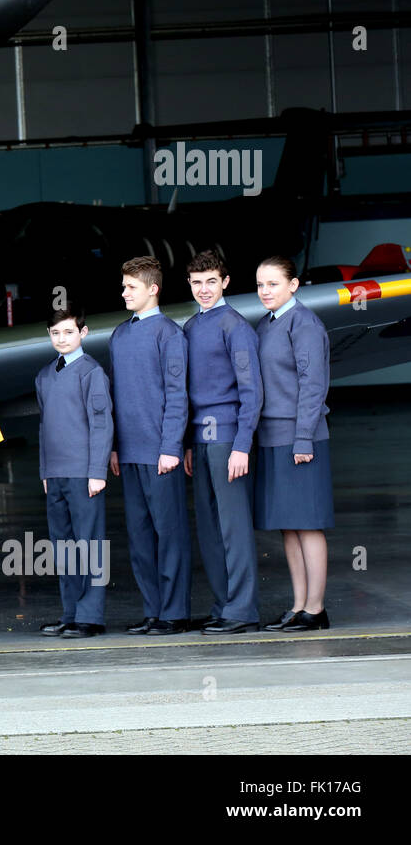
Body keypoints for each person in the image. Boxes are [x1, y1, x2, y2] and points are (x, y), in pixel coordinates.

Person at [108, 255, 191, 635]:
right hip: (128, 454)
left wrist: (171, 447)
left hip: (161, 454)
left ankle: (175, 613)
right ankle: (153, 611)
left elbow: (177, 396)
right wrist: (112, 447)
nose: (124, 293)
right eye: (124, 286)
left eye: (131, 287)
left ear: (152, 289)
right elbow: (114, 397)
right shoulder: (119, 335)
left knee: (169, 536)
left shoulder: (170, 335)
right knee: (140, 539)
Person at [182, 250, 263, 635]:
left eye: (211, 281)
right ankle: (223, 604)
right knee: (210, 529)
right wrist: (185, 444)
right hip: (199, 439)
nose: (204, 290)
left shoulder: (236, 327)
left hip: (228, 436)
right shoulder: (191, 326)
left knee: (233, 527)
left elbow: (251, 392)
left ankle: (243, 609)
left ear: (226, 282)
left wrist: (242, 445)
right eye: (197, 283)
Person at [253, 255, 333, 632]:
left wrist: (303, 438)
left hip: (300, 436)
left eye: (273, 283)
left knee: (308, 524)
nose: (265, 291)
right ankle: (299, 605)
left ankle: (316, 609)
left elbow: (313, 386)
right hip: (272, 436)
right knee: (289, 525)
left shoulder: (304, 324)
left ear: (294, 285)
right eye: (260, 285)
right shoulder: (267, 324)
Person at [35, 303, 112, 638]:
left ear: (83, 333)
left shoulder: (92, 373)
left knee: (90, 544)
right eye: (55, 333)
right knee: (63, 546)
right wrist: (44, 472)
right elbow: (44, 427)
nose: (62, 338)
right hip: (56, 474)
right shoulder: (43, 376)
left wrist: (98, 471)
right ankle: (70, 613)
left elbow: (101, 425)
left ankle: (90, 616)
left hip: (84, 473)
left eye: (68, 332)